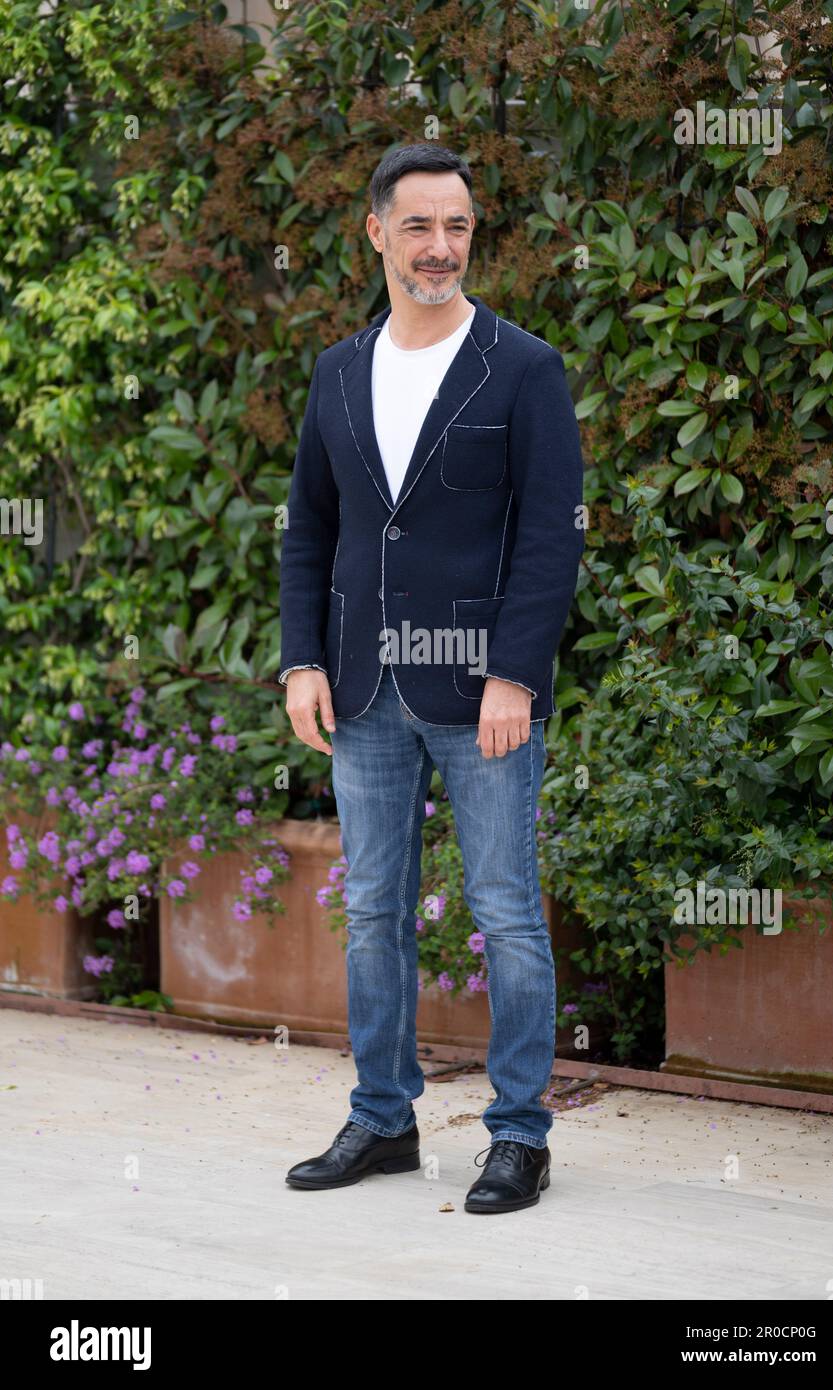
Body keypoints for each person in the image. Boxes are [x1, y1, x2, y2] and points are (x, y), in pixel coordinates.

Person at [278, 143, 584, 1214]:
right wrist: (301, 659)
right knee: (371, 911)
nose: (439, 247)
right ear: (375, 233)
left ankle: (516, 1134)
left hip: (478, 694)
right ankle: (381, 1118)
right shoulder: (335, 370)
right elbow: (310, 527)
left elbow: (549, 537)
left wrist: (515, 674)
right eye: (417, 226)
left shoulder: (522, 367)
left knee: (505, 911)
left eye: (455, 226)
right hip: (360, 690)